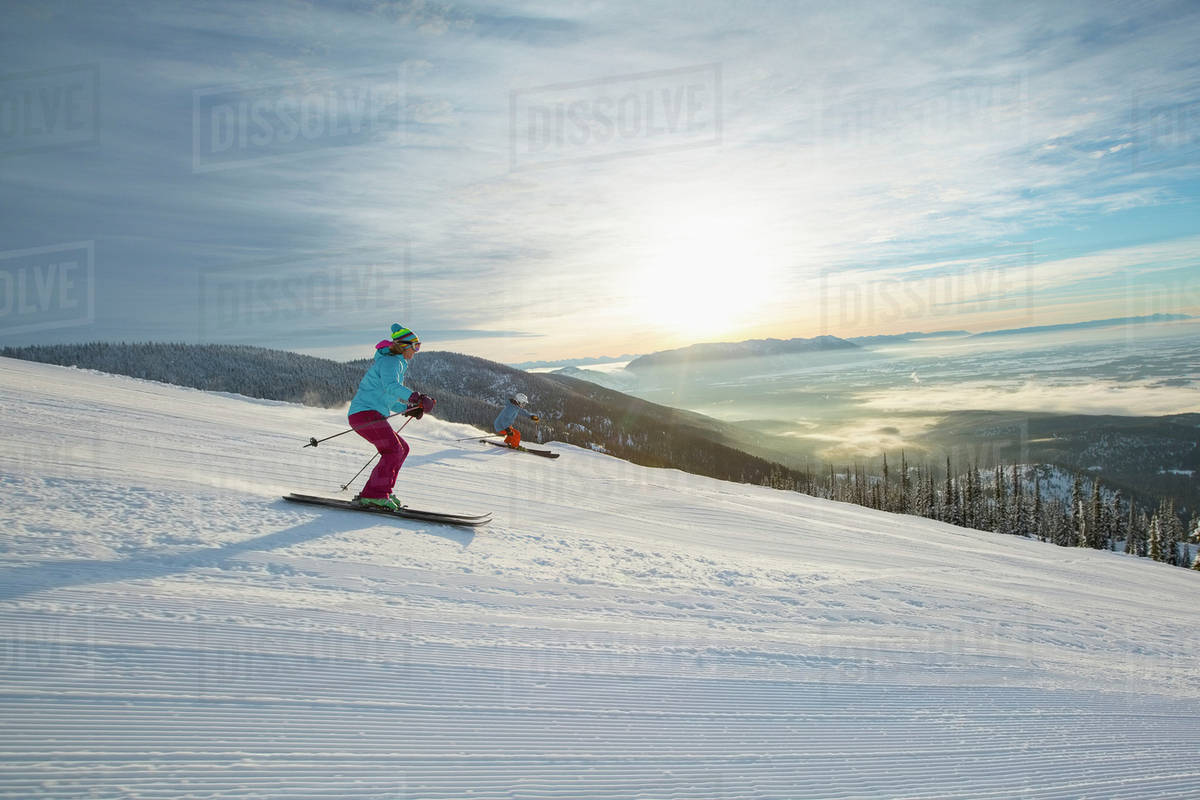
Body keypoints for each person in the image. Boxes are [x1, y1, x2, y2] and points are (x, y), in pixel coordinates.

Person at [347, 324, 435, 510]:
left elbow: (388, 398)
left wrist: (407, 408)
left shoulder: (394, 362)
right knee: (393, 450)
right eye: (416, 346)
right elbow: (391, 385)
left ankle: (382, 490)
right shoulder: (391, 362)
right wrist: (416, 397)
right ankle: (374, 495)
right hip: (365, 414)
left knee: (402, 448)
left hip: (368, 414)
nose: (416, 351)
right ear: (404, 346)